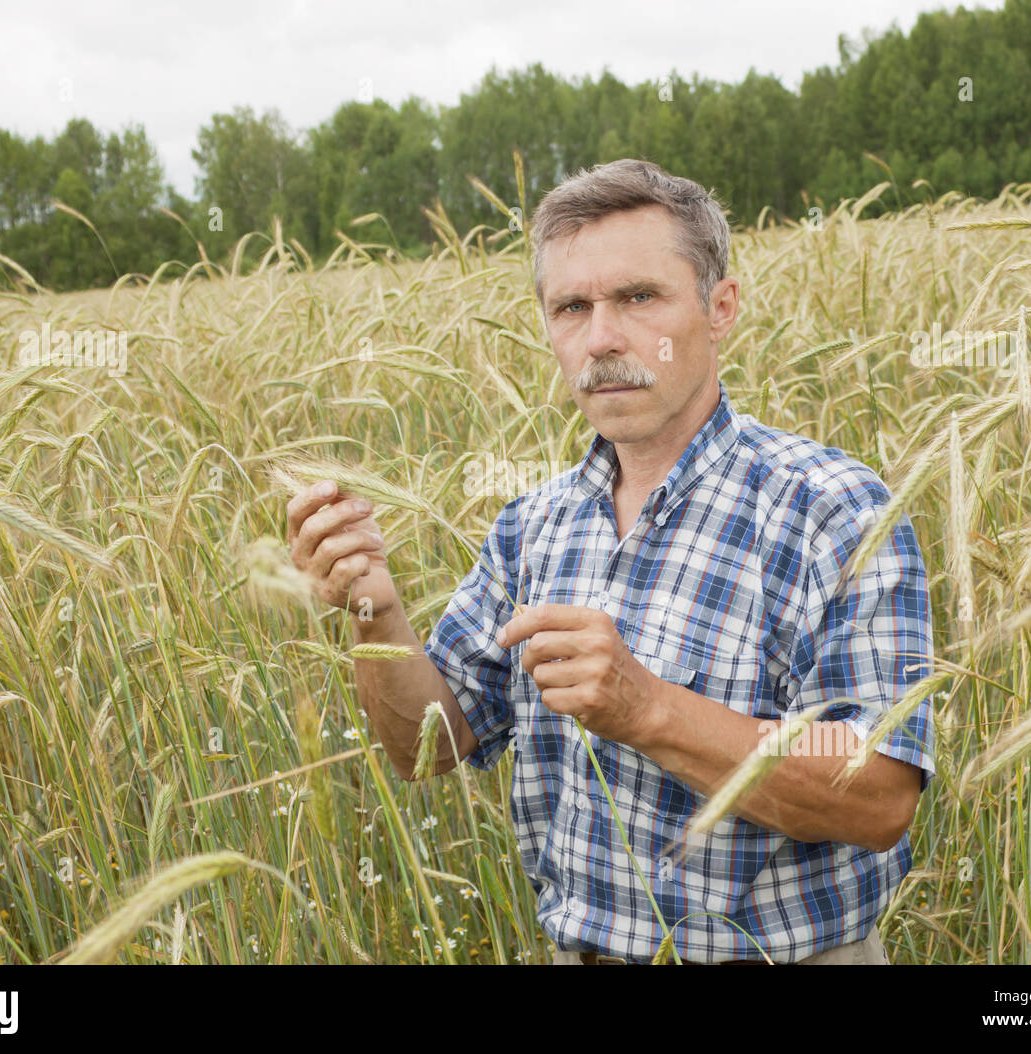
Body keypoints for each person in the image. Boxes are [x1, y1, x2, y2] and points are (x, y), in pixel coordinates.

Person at [285, 158, 935, 965]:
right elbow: (428, 746)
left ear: (720, 307)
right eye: (571, 307)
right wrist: (373, 611)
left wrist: (648, 709)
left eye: (638, 298)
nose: (601, 338)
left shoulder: (835, 511)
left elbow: (877, 798)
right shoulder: (532, 528)